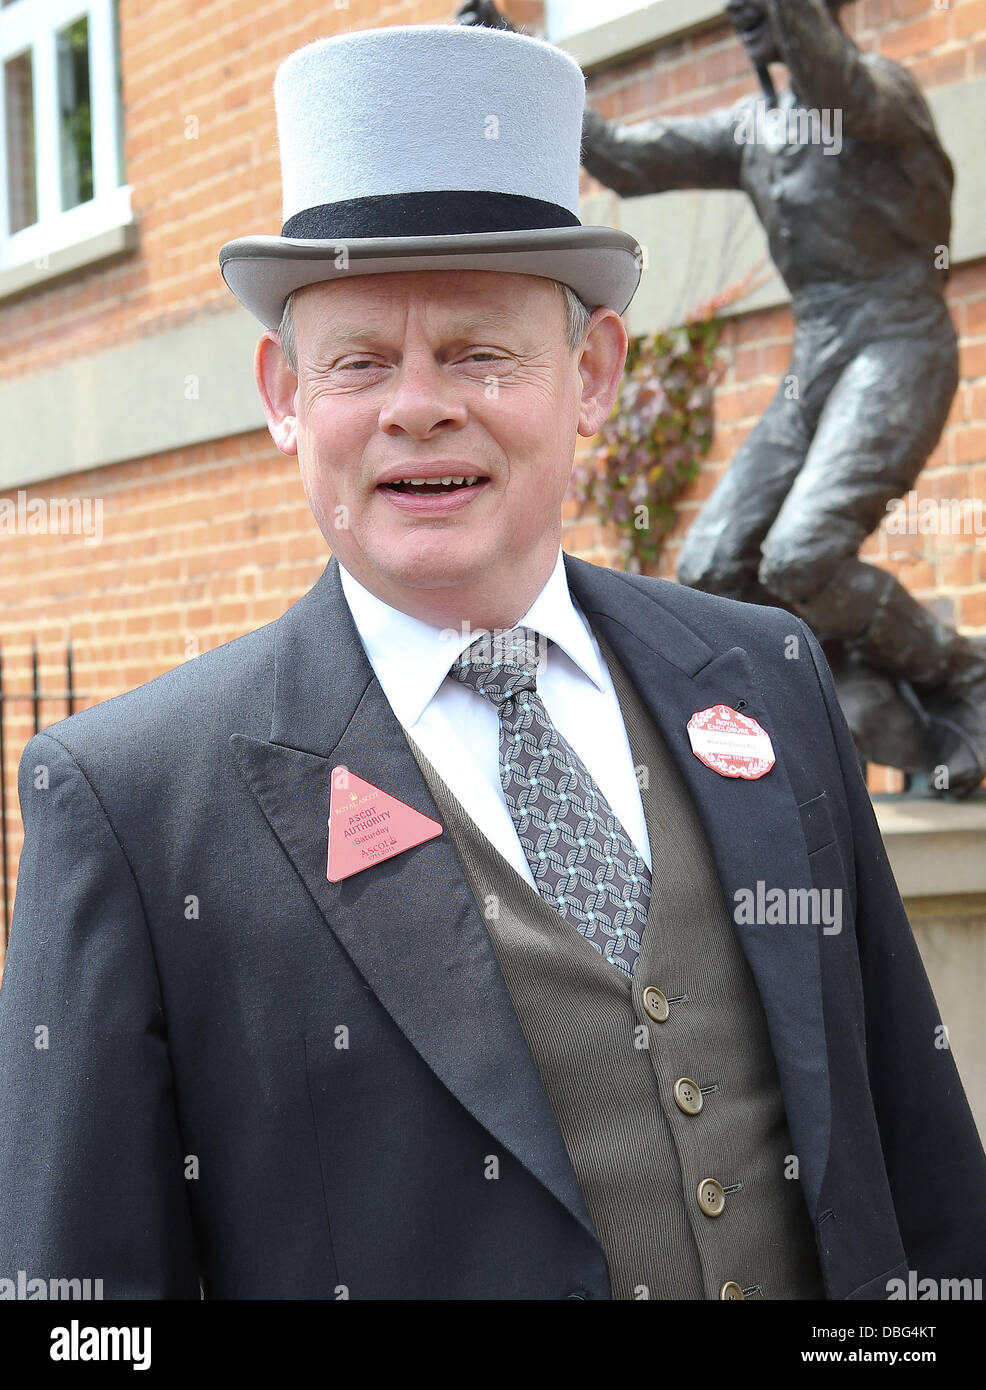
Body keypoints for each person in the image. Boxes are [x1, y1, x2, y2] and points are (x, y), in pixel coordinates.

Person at [0, 22, 983, 1302]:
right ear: (282, 395)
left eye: (476, 350)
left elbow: (924, 1186)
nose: (418, 404)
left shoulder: (770, 676)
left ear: (589, 374)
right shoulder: (131, 806)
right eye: (358, 361)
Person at [459, 0, 986, 795]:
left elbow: (828, 79)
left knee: (803, 554)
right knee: (712, 565)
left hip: (897, 341)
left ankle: (970, 675)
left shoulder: (878, 94)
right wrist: (515, 59)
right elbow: (626, 158)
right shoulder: (755, 132)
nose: (743, 12)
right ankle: (862, 702)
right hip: (821, 352)